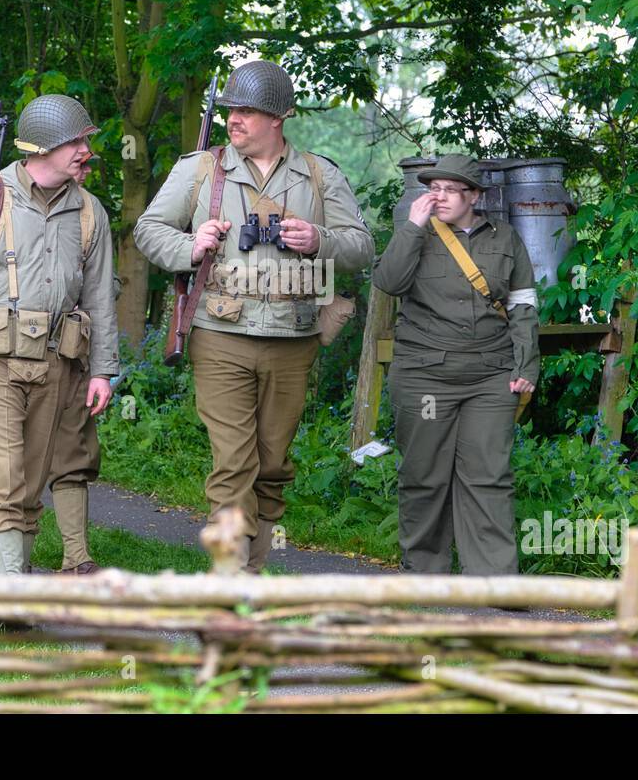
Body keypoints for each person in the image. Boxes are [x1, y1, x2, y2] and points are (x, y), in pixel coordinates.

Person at [134, 59, 374, 572]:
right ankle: (230, 577)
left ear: (278, 117)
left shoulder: (318, 174)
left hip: (294, 336)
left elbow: (361, 247)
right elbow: (148, 230)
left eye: (246, 111)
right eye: (230, 111)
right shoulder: (200, 169)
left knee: (270, 465)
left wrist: (319, 240)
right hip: (220, 335)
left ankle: (252, 571)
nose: (233, 120)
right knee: (234, 461)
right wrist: (189, 245)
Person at [0, 94, 118, 575]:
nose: (84, 151)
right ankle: (12, 593)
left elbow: (99, 299)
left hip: (58, 362)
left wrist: (103, 372)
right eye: (76, 142)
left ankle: (21, 576)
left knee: (32, 481)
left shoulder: (90, 211)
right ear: (43, 147)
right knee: (7, 481)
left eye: (85, 142)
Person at [372, 154, 539, 575]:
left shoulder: (506, 238)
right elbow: (388, 283)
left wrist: (527, 366)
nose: (439, 196)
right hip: (425, 375)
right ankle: (426, 573)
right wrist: (412, 227)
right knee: (424, 475)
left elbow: (522, 306)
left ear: (475, 196)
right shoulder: (415, 232)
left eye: (450, 189)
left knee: (489, 476)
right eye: (434, 188)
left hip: (490, 375)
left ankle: (494, 578)